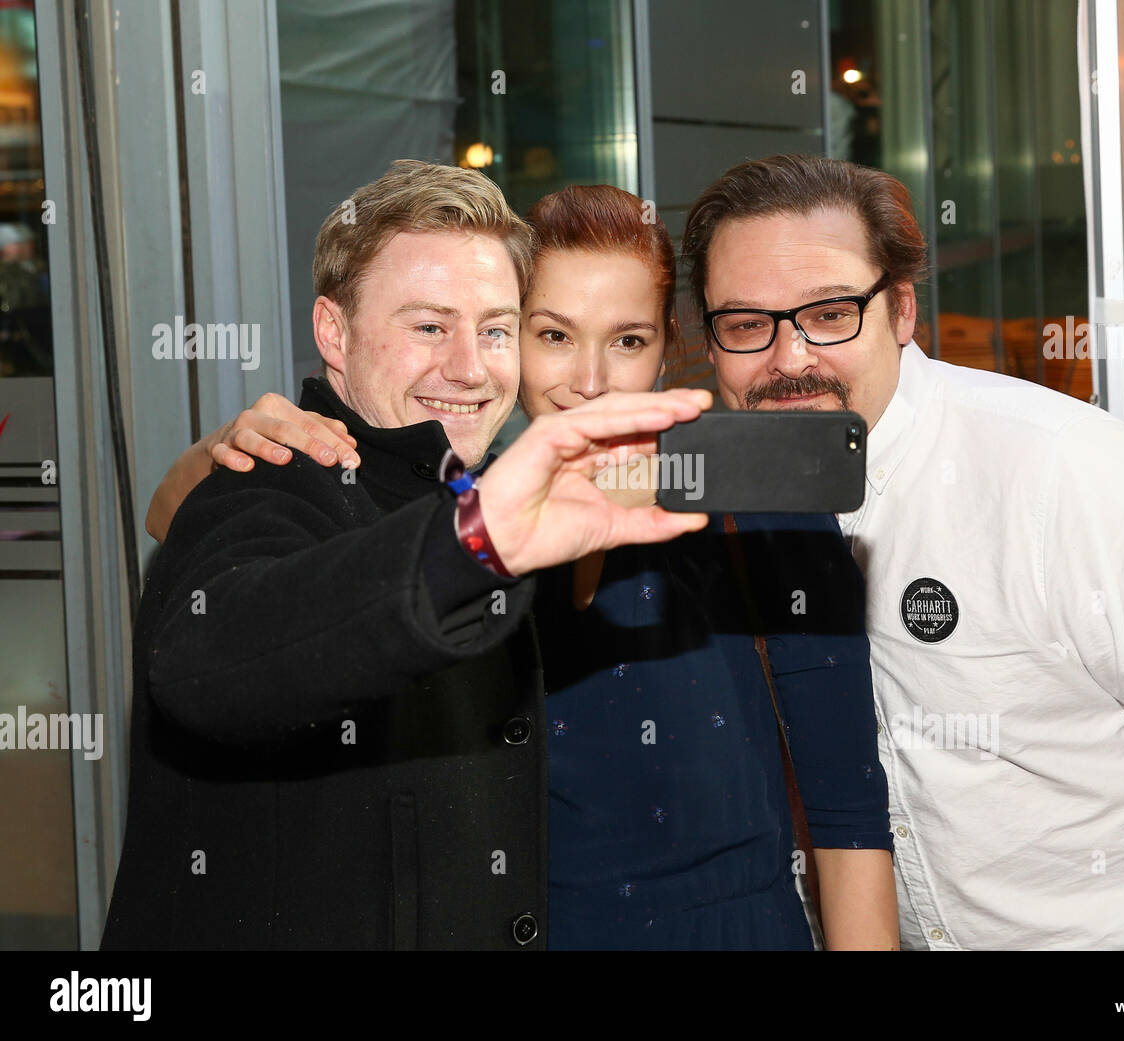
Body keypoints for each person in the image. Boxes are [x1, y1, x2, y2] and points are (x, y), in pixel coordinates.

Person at [144, 182, 898, 950]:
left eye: (629, 340)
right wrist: (236, 448)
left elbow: (848, 812)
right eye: (553, 336)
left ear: (669, 346)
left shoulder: (756, 502)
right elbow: (225, 595)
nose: (590, 381)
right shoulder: (459, 513)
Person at [680, 153, 1124, 950]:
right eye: (745, 325)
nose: (789, 357)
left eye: (831, 312)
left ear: (901, 311)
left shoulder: (1063, 468)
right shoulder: (728, 502)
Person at [101, 160, 713, 950]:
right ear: (334, 331)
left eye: (496, 329)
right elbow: (211, 660)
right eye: (429, 326)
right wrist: (471, 544)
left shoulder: (471, 493)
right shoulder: (263, 486)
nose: (469, 367)